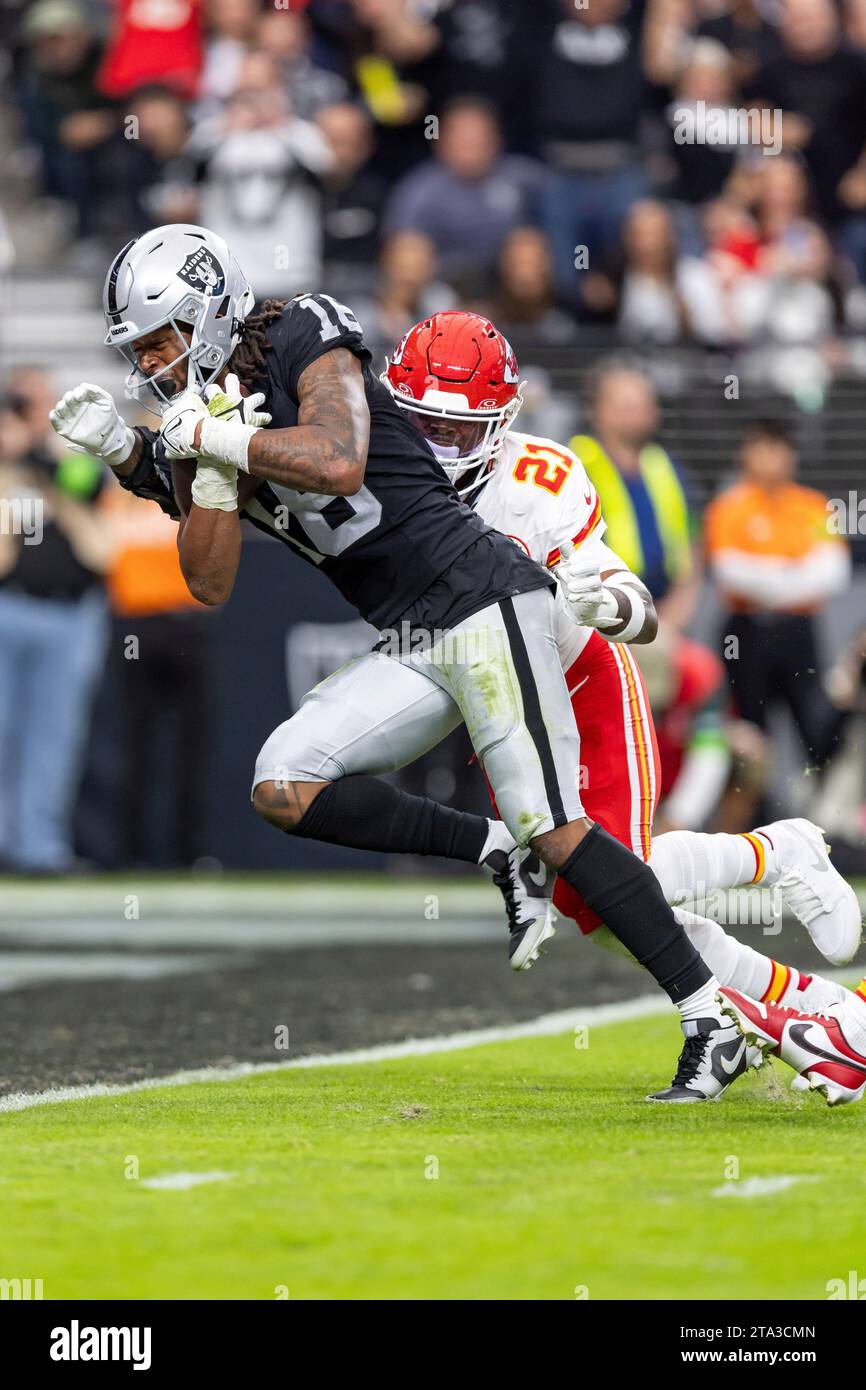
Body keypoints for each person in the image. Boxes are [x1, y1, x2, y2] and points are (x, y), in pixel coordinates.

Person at [52, 222, 753, 1103]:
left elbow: (341, 462)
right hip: (413, 633)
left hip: (483, 596)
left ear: (213, 311)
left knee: (560, 824)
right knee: (283, 784)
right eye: (140, 349)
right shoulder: (198, 418)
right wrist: (143, 456)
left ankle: (708, 1016)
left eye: (162, 340)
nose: (153, 364)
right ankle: (497, 852)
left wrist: (221, 445)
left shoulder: (303, 328)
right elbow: (209, 578)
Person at [378, 308, 866, 1106]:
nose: (442, 448)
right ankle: (808, 1008)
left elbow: (633, 600)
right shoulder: (379, 465)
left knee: (612, 883)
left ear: (501, 424)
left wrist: (606, 605)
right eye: (427, 423)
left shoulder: (540, 478)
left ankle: (777, 859)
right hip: (503, 701)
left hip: (581, 685)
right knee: (600, 911)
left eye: (464, 432)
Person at [705, 419, 851, 772]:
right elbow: (730, 571)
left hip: (798, 632)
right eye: (762, 448)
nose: (771, 458)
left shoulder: (813, 506)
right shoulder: (729, 507)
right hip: (747, 632)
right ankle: (755, 815)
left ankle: (822, 809)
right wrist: (794, 574)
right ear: (746, 454)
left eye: (779, 448)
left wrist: (767, 577)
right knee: (747, 730)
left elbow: (833, 572)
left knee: (817, 725)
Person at [569, 362, 699, 632]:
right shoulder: (575, 465)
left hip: (666, 614)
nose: (633, 414)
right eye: (623, 405)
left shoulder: (666, 467)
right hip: (598, 615)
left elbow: (692, 544)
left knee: (703, 671)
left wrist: (674, 613)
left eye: (641, 405)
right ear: (597, 411)